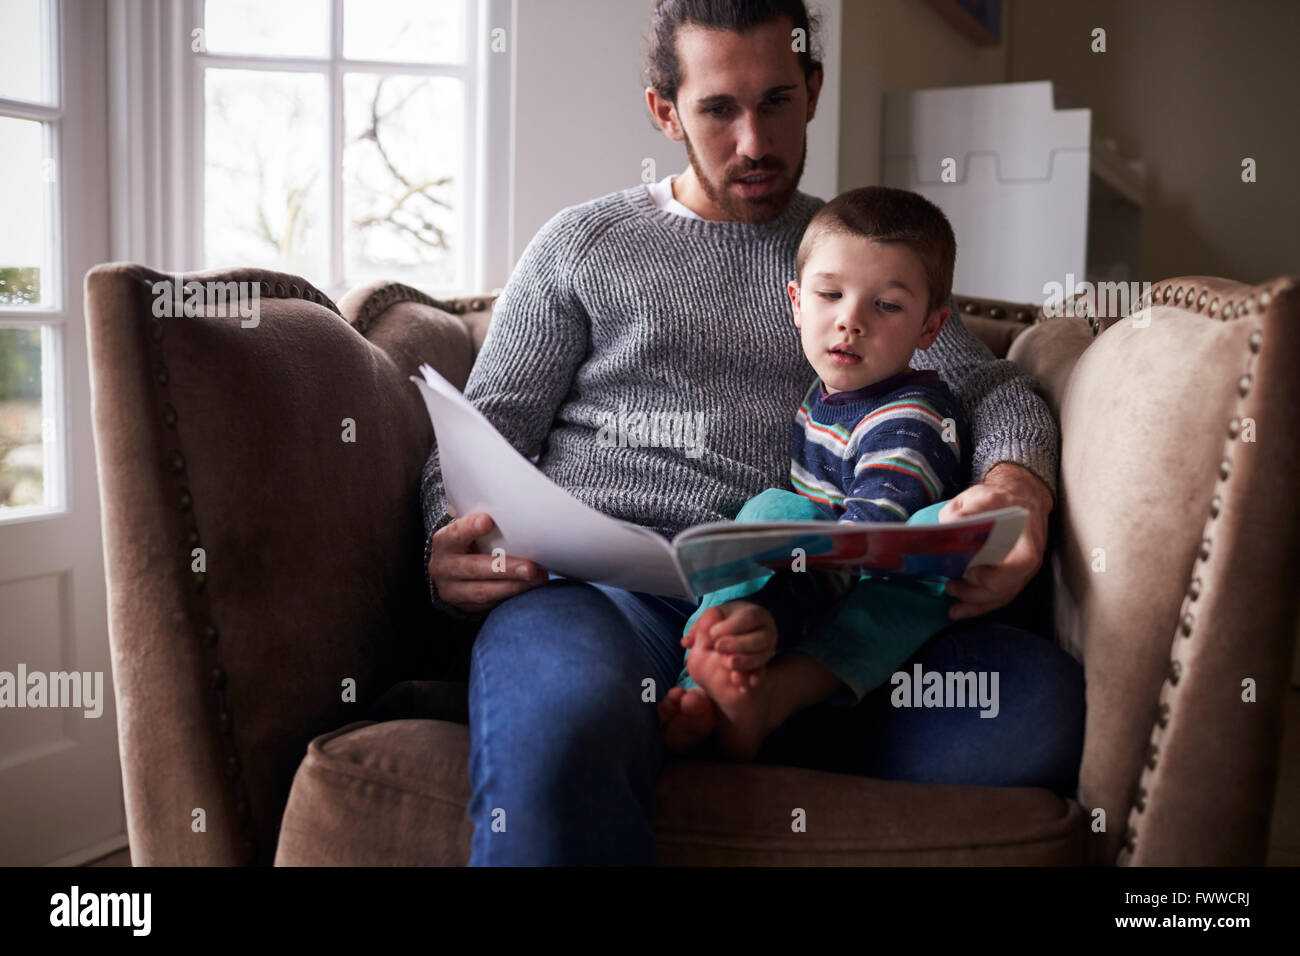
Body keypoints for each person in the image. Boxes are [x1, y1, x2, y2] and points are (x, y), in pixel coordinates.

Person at [421, 0, 1084, 865]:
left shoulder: (850, 255)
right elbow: (483, 432)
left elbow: (995, 386)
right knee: (562, 722)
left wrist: (1019, 485)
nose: (754, 143)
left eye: (776, 101)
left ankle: (742, 711)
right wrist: (448, 539)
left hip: (806, 611)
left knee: (1034, 705)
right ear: (666, 112)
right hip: (602, 603)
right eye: (718, 110)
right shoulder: (582, 245)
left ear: (813, 89)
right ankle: (662, 716)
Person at [661, 185, 977, 762]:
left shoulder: (910, 423)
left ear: (930, 330)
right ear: (797, 302)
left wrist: (776, 614)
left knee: (925, 553)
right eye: (830, 294)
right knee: (769, 510)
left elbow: (865, 542)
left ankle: (776, 694)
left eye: (887, 305)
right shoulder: (824, 393)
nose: (850, 321)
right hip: (814, 579)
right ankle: (705, 684)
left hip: (871, 583)